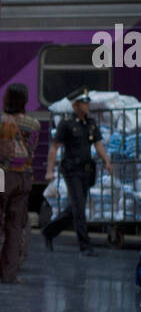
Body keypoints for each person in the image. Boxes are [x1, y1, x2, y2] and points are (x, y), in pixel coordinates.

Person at [43, 89, 112, 256]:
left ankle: (49, 231)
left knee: (75, 208)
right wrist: (49, 170)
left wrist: (107, 161)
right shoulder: (66, 123)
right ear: (76, 105)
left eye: (88, 103)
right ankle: (85, 246)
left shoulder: (90, 123)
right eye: (84, 103)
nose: (88, 106)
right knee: (79, 209)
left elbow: (98, 144)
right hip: (71, 170)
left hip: (86, 171)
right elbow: (54, 147)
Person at [0, 83, 39, 283]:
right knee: (15, 226)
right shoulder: (33, 124)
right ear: (25, 100)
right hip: (22, 177)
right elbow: (32, 150)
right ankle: (9, 274)